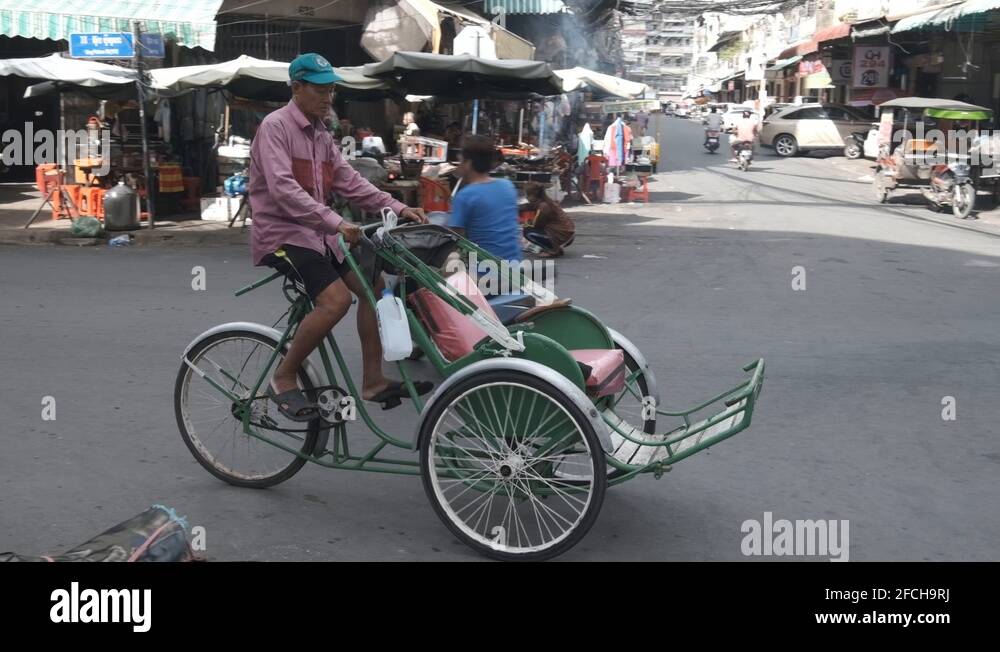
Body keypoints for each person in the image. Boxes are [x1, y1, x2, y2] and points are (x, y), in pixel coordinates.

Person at [248, 52, 429, 420]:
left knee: (375, 289)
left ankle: (373, 381)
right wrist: (334, 221)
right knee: (335, 301)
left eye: (331, 90)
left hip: (320, 235)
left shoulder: (321, 133)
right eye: (319, 90)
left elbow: (349, 181)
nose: (327, 98)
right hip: (282, 237)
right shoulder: (275, 127)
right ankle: (283, 377)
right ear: (297, 88)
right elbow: (283, 190)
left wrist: (395, 207)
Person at [447, 135, 522, 277]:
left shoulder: (465, 196)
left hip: (485, 277)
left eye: (461, 160)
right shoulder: (507, 186)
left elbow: (454, 240)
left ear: (468, 163)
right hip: (515, 269)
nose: (459, 165)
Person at [522, 182, 575, 258]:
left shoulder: (543, 206)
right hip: (568, 234)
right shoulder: (545, 201)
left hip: (563, 235)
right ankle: (556, 247)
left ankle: (552, 250)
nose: (526, 197)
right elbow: (528, 206)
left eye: (527, 195)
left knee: (527, 231)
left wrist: (527, 222)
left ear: (532, 195)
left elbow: (537, 224)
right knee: (530, 227)